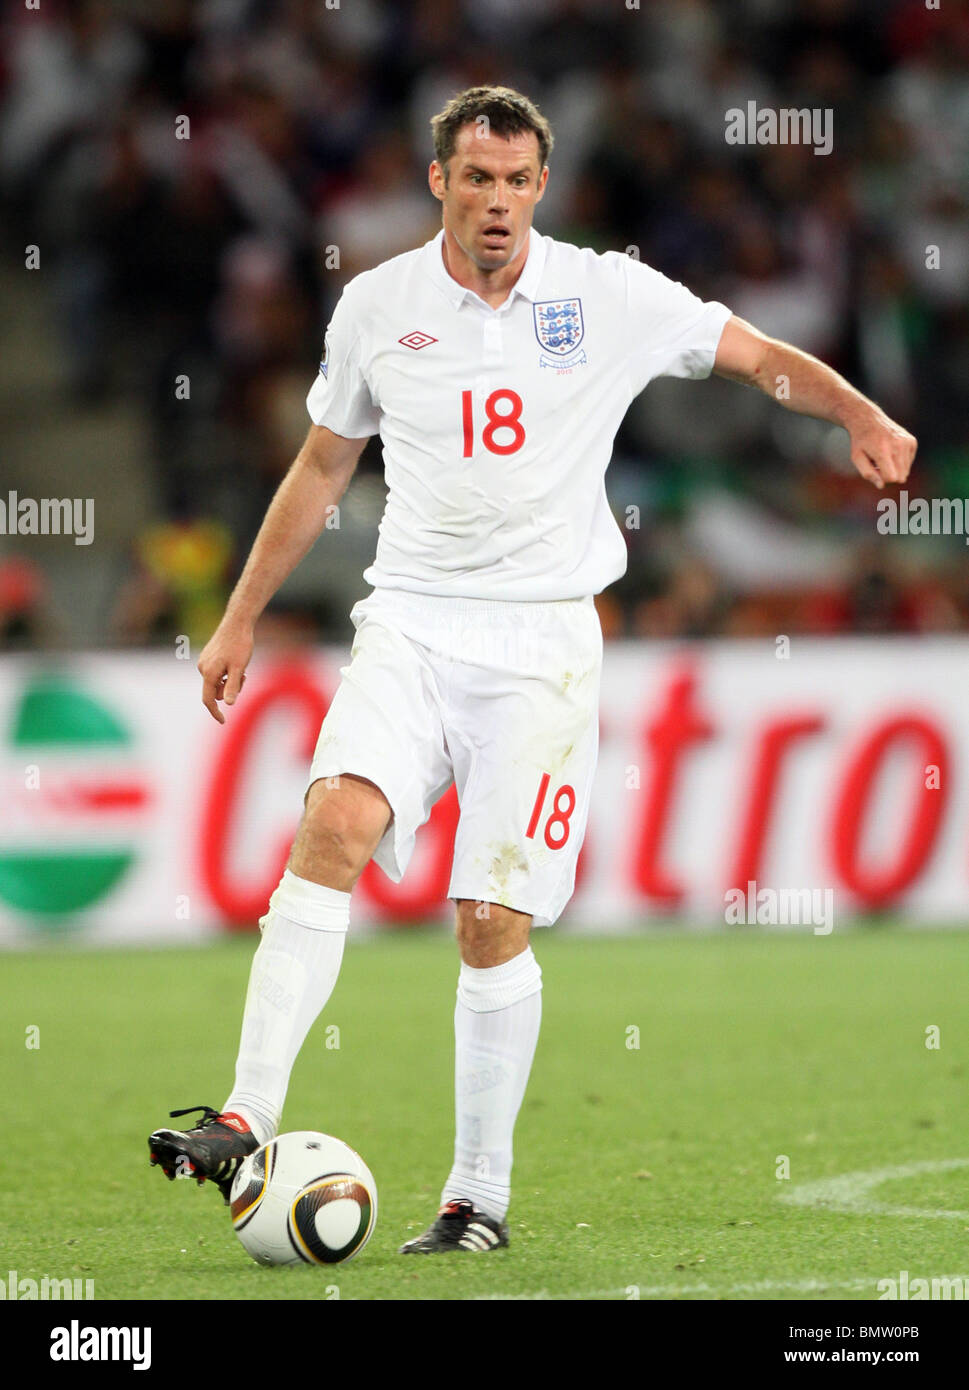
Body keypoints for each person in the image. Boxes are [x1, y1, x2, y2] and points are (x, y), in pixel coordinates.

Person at [148, 86, 917, 1253]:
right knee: (332, 827)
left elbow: (749, 354)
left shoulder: (607, 293)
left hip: (543, 645)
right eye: (476, 179)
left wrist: (854, 409)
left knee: (488, 919)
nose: (496, 201)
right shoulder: (377, 306)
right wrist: (242, 617)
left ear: (540, 189)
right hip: (408, 621)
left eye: (516, 182)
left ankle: (476, 1199)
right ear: (439, 185)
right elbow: (317, 469)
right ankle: (246, 1113)